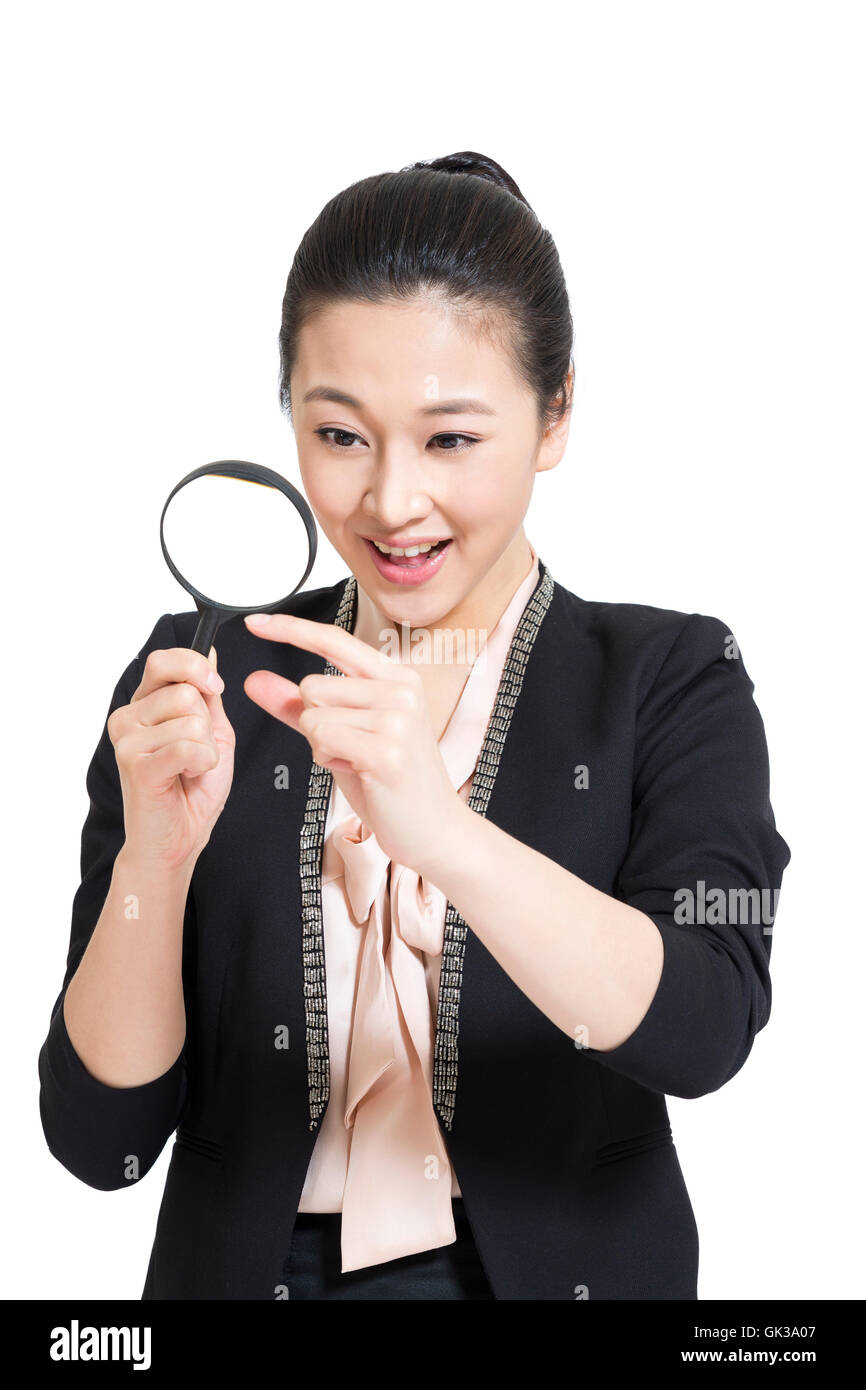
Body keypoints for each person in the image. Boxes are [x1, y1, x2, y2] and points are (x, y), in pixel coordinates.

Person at [38, 151, 791, 1300]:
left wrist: (441, 834)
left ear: (554, 416)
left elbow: (702, 1029)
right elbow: (99, 1141)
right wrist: (156, 857)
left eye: (449, 439)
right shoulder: (200, 677)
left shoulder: (668, 676)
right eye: (339, 434)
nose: (391, 502)